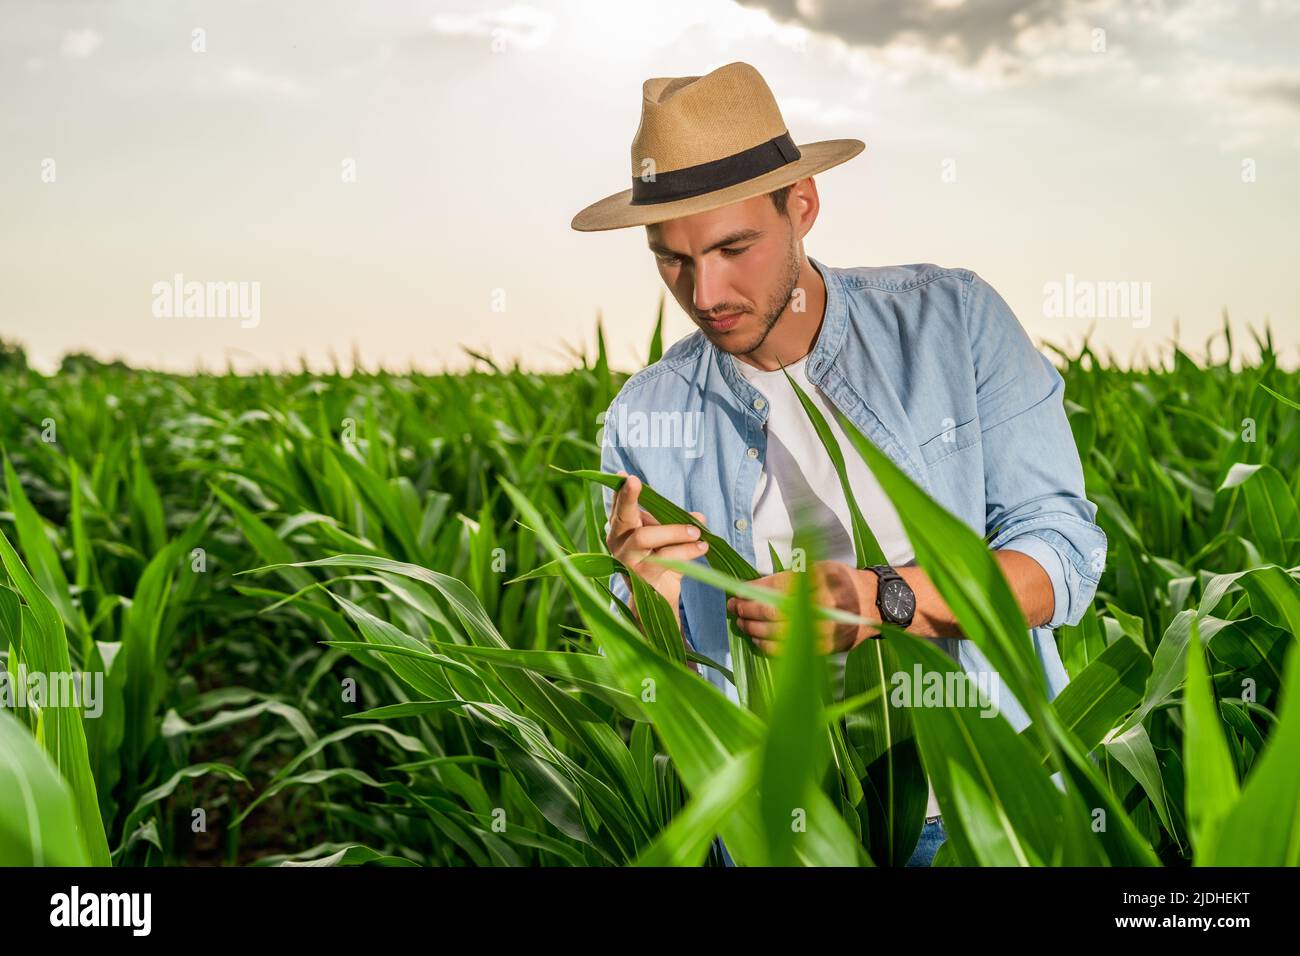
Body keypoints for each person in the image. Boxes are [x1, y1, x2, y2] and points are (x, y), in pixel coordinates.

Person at [572, 61, 1105, 867]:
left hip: (984, 811)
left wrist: (876, 597)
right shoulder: (645, 416)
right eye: (671, 259)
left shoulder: (952, 324)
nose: (705, 291)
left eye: (734, 247)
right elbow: (649, 693)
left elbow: (1061, 562)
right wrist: (651, 615)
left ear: (804, 207)